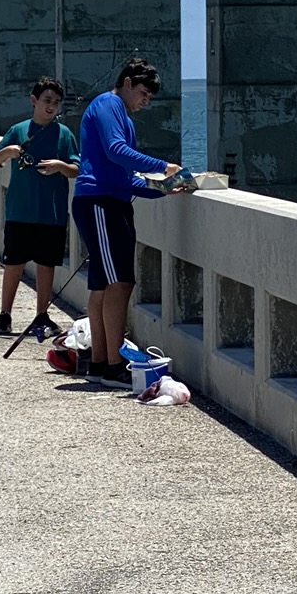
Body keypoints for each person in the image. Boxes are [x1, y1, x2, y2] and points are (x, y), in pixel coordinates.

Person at [71, 57, 188, 382]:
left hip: (108, 200)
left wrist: (163, 189)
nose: (144, 101)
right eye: (142, 93)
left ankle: (98, 364)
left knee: (101, 286)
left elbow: (125, 176)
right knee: (119, 283)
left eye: (149, 97)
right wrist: (163, 166)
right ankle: (112, 365)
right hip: (101, 202)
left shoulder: (122, 116)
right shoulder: (107, 104)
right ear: (125, 82)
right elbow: (115, 151)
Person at [0, 78, 80, 343]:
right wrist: (8, 151)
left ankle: (42, 314)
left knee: (46, 264)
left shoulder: (64, 134)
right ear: (34, 100)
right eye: (47, 100)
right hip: (20, 210)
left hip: (51, 213)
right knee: (13, 262)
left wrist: (60, 166)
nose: (51, 106)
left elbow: (77, 169)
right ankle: (4, 314)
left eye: (56, 102)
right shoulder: (18, 130)